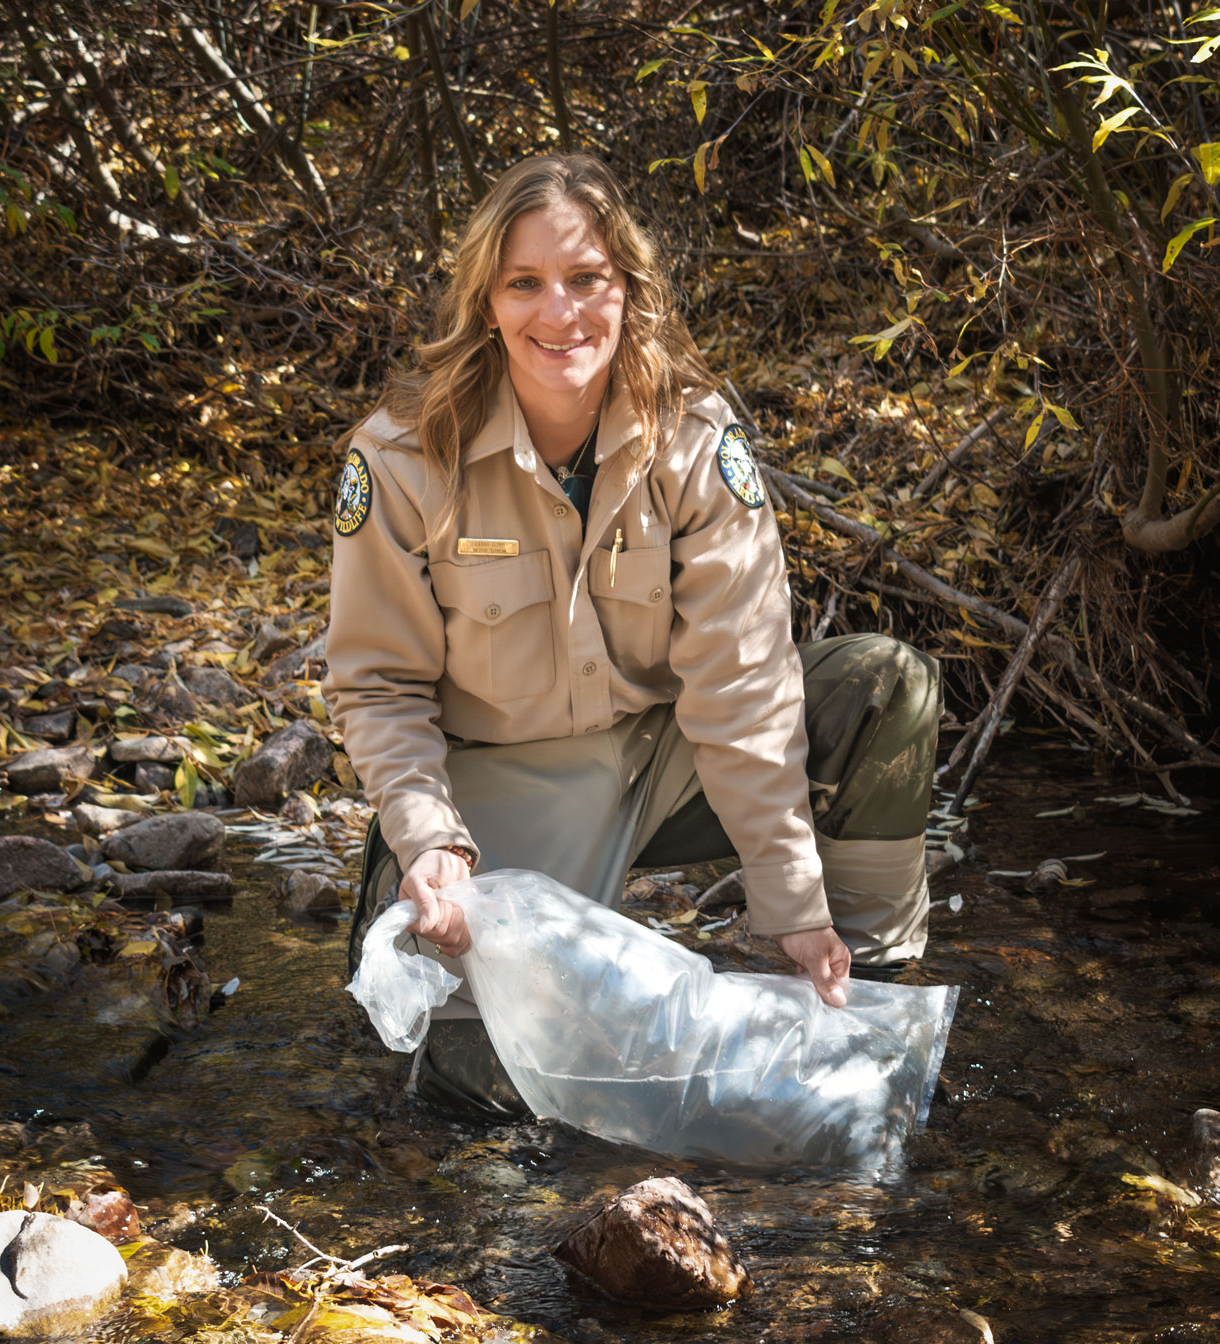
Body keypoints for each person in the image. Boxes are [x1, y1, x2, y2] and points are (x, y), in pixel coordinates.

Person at [324, 154, 941, 1115]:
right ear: (487, 300)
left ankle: (862, 992)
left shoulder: (693, 440)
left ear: (630, 293)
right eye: (525, 283)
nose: (558, 312)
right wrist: (427, 841)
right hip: (504, 789)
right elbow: (379, 686)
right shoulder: (403, 455)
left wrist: (794, 909)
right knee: (479, 1104)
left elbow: (743, 685)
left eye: (587, 280)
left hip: (671, 757)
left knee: (883, 687)